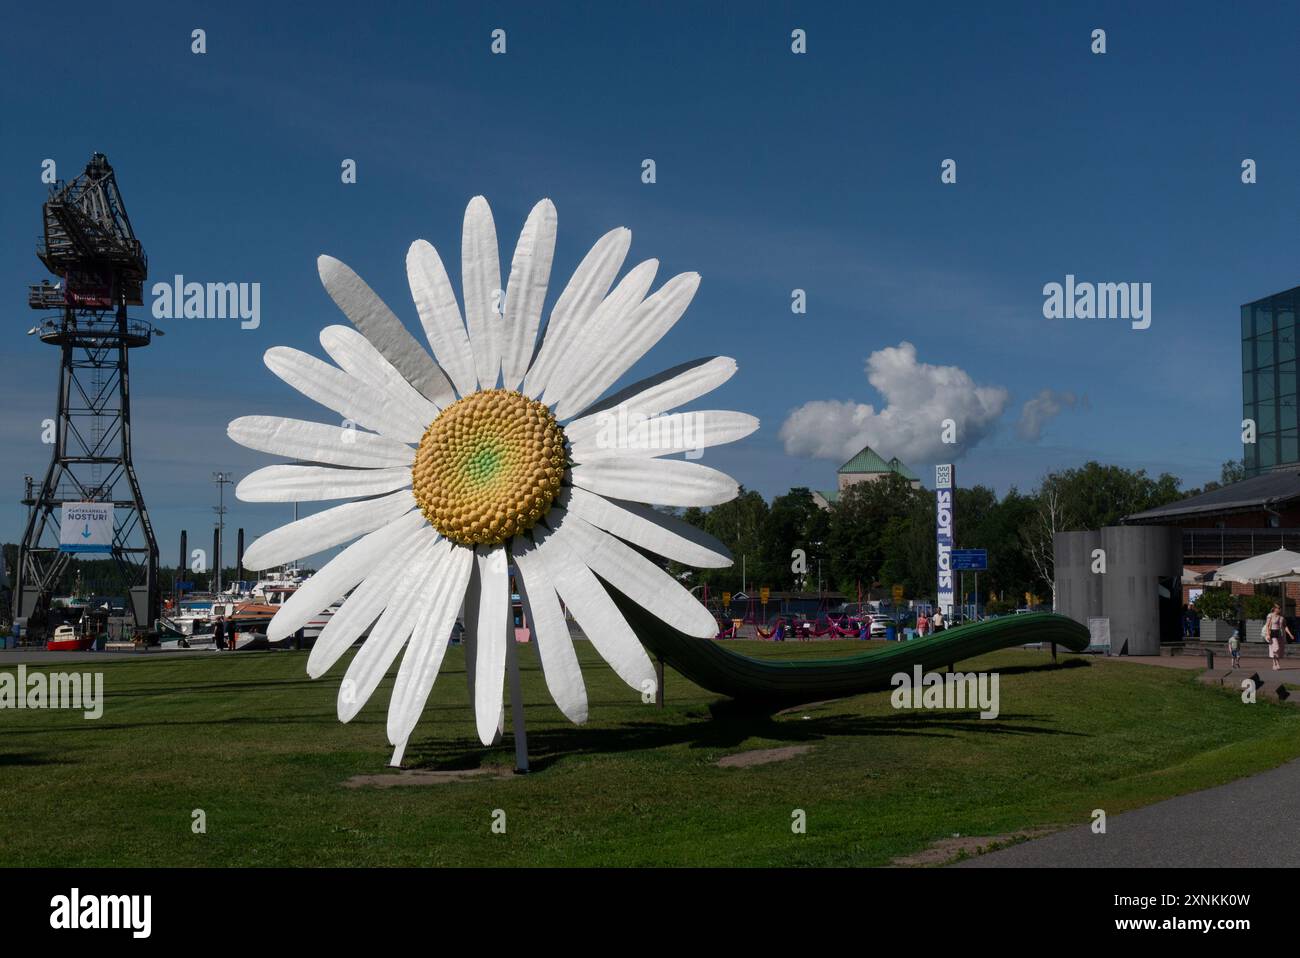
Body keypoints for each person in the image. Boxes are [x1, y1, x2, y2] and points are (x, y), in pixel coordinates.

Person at [1265, 604, 1293, 671]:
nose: (1280, 609)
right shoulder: (1270, 615)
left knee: (1278, 650)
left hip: (1280, 635)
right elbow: (1267, 625)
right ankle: (1276, 663)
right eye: (1279, 608)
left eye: (1280, 608)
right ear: (1275, 609)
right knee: (1276, 648)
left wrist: (1290, 634)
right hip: (1272, 634)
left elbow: (1285, 626)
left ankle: (1275, 663)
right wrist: (1268, 634)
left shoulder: (1281, 617)